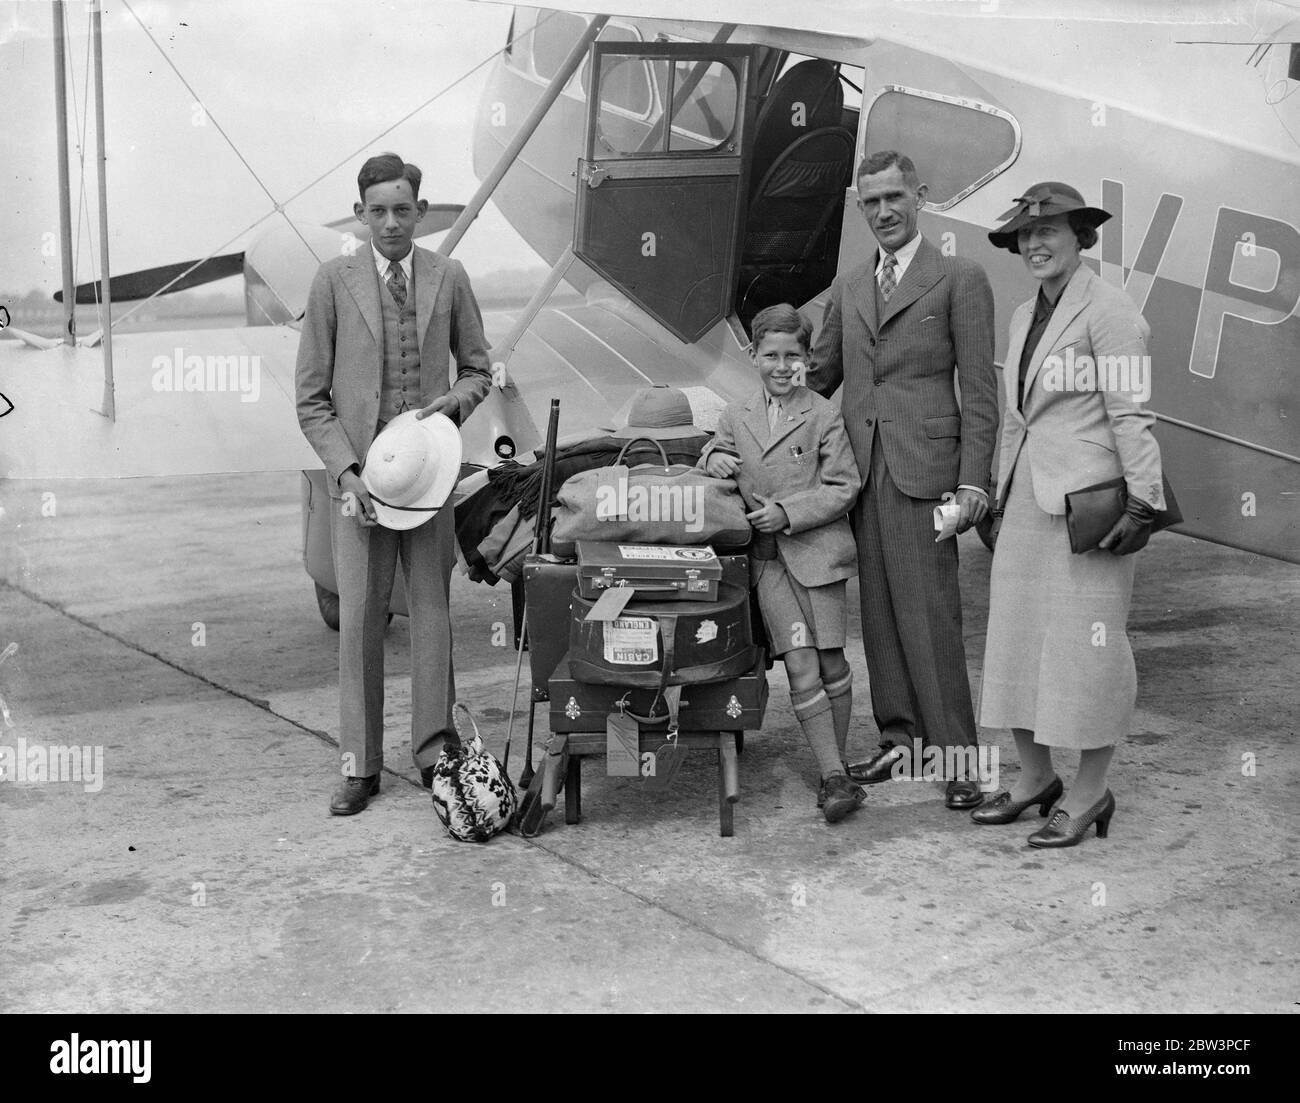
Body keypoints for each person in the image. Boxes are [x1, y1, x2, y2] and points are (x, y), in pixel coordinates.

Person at [296, 153, 493, 815]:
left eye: (402, 210)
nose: (389, 222)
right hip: (363, 487)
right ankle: (360, 766)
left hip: (429, 475)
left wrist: (454, 405)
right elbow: (312, 400)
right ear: (359, 215)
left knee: (434, 615)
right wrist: (347, 475)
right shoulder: (332, 282)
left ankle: (436, 752)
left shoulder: (450, 276)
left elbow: (478, 370)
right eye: (376, 210)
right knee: (359, 624)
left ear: (421, 212)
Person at [974, 182, 1165, 847]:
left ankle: (1089, 792)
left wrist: (1144, 500)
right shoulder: (1025, 313)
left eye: (1048, 230)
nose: (1034, 243)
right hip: (1027, 500)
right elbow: (1015, 418)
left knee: (1090, 649)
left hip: (1092, 506)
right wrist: (996, 495)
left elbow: (1131, 412)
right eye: (1025, 234)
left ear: (1080, 236)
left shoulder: (1111, 311)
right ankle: (1034, 778)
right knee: (1019, 641)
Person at [807, 150, 999, 810]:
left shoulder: (958, 278)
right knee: (881, 614)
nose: (884, 211)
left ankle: (958, 757)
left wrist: (975, 482)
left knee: (931, 613)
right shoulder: (851, 284)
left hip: (930, 477)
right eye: (871, 202)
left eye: (894, 197)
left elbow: (979, 391)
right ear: (861, 210)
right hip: (863, 473)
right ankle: (902, 738)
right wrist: (761, 413)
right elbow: (818, 377)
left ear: (919, 197)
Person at [705, 304, 864, 822]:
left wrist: (789, 512)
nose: (781, 365)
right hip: (769, 565)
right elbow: (714, 451)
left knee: (833, 664)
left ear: (807, 358)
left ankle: (831, 768)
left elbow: (845, 486)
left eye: (792, 355)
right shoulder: (736, 413)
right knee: (800, 664)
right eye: (770, 354)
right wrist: (714, 458)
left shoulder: (822, 413)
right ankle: (835, 777)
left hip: (819, 559)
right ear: (752, 355)